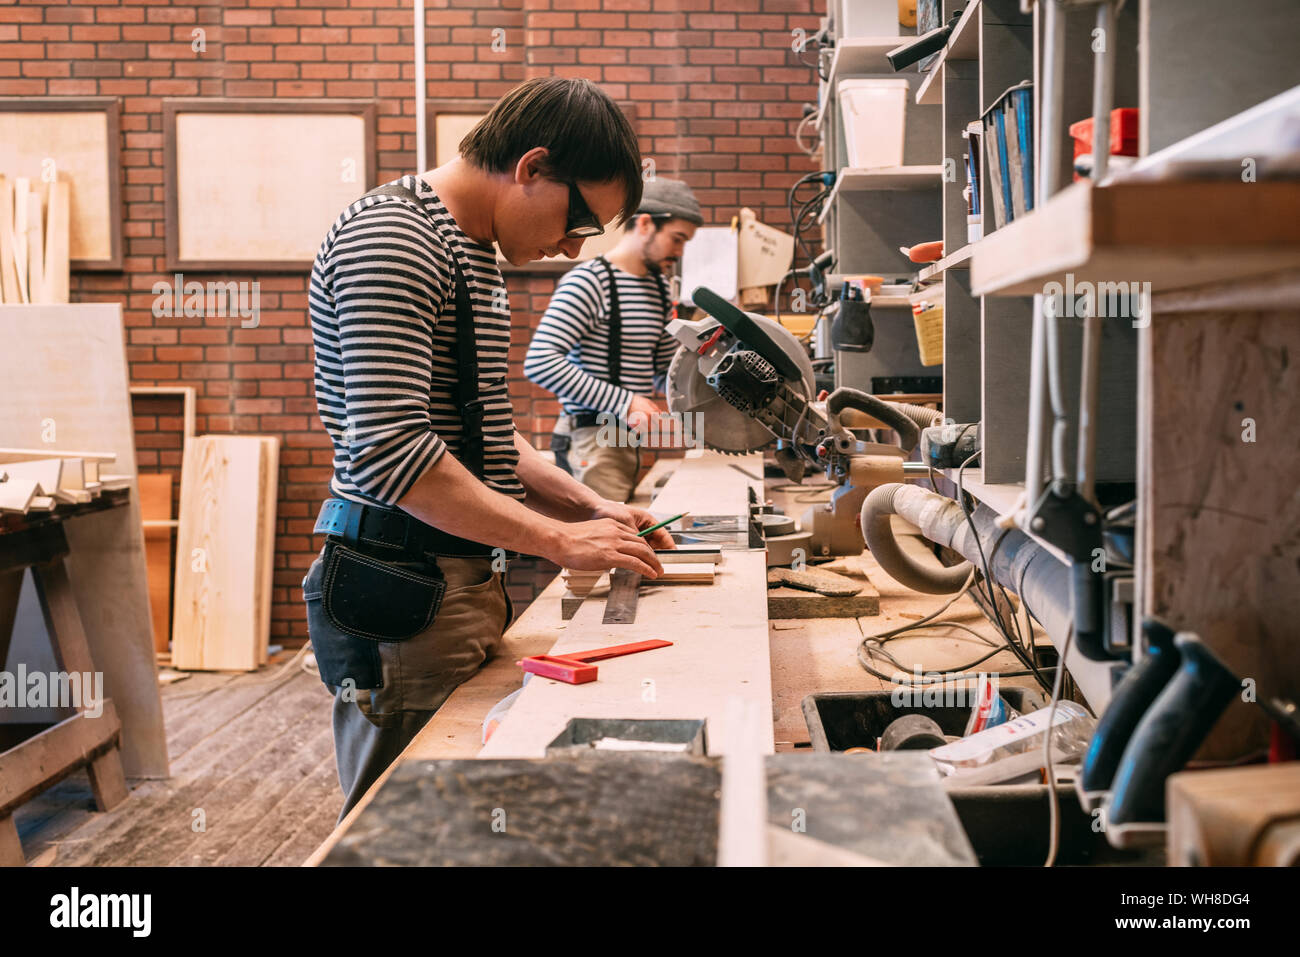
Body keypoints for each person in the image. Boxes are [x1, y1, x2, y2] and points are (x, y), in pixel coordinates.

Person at [305, 77, 674, 819]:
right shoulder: (394, 239)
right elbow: (394, 454)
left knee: (460, 814)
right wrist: (558, 541)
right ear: (533, 167)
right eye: (577, 222)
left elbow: (482, 435)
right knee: (403, 826)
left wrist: (592, 504)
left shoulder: (469, 248)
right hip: (401, 591)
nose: (574, 248)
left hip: (457, 584)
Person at [523, 177, 702, 502]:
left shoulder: (659, 289)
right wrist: (625, 402)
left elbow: (665, 372)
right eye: (676, 239)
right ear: (646, 224)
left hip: (628, 440)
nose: (679, 252)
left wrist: (709, 392)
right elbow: (540, 361)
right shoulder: (589, 281)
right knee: (606, 541)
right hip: (594, 439)